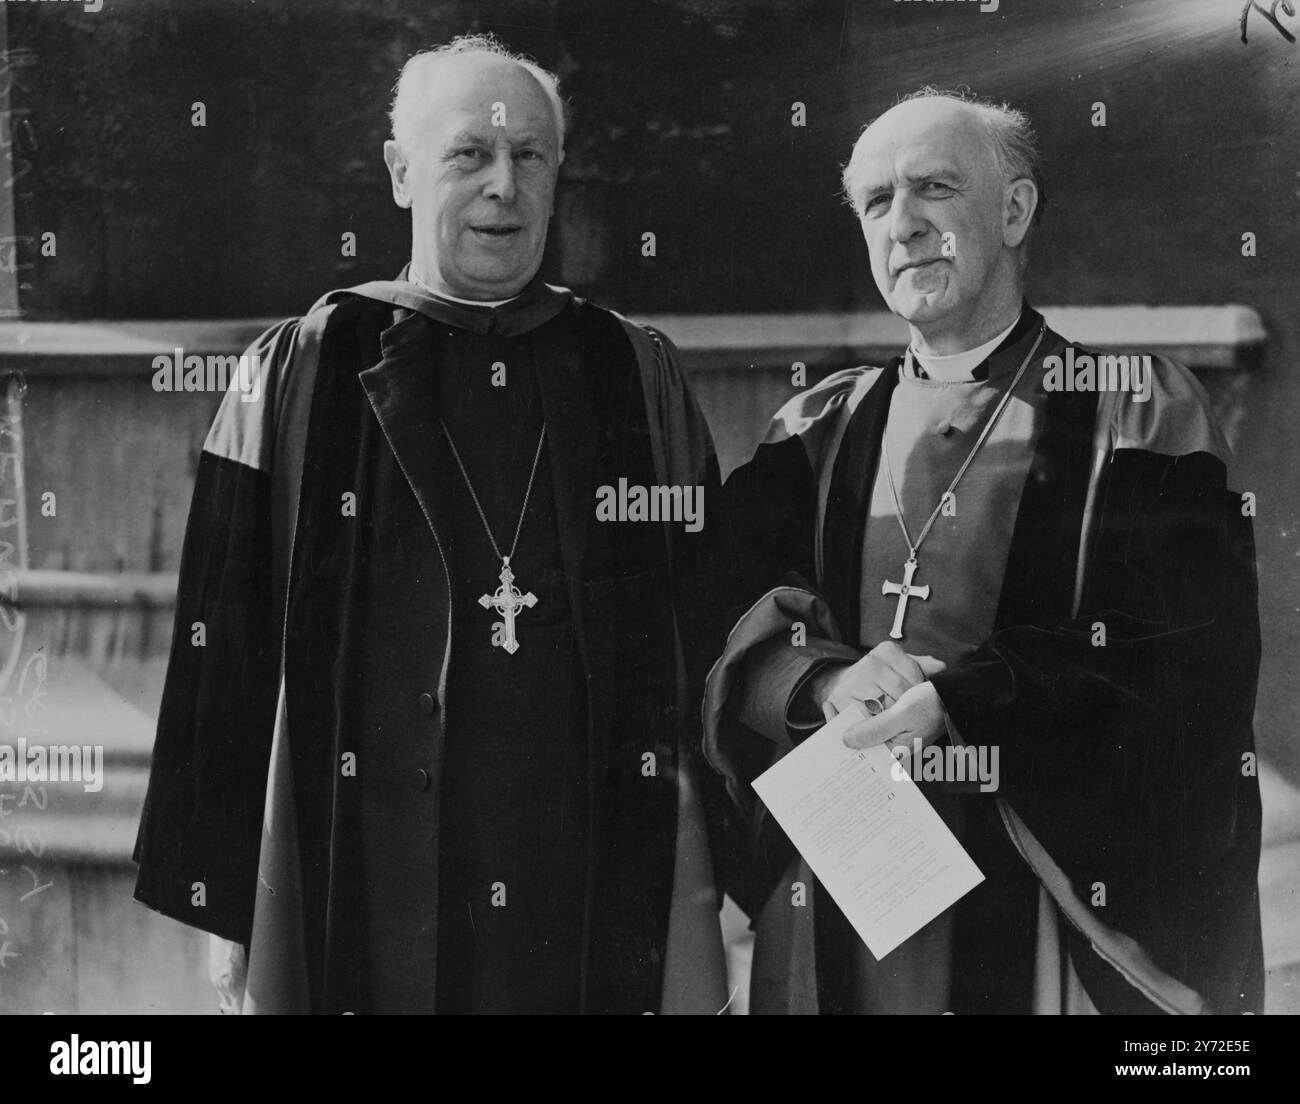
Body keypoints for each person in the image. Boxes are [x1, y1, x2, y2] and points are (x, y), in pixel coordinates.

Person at [133, 33, 728, 1015]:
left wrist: (725, 877)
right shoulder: (301, 371)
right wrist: (228, 899)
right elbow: (221, 643)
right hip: (362, 860)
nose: (504, 185)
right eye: (470, 154)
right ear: (403, 173)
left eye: (530, 156)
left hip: (587, 870)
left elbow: (709, 628)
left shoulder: (632, 373)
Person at [701, 87, 1263, 1014]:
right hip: (848, 879)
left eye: (934, 188)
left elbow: (1185, 654)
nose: (906, 223)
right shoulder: (816, 428)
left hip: (1044, 896)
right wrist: (820, 686)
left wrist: (960, 706)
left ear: (1013, 211)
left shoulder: (1133, 409)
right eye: (879, 203)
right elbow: (715, 615)